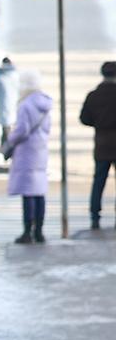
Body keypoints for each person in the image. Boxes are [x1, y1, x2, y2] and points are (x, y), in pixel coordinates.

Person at [5, 68, 53, 243]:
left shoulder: (26, 105)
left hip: (26, 152)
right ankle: (39, 231)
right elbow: (47, 128)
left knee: (28, 193)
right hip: (41, 150)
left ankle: (27, 231)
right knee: (39, 191)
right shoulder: (45, 104)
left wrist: (10, 138)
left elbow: (22, 130)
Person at [79, 60, 116, 228]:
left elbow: (84, 118)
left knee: (99, 180)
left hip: (101, 143)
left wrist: (99, 123)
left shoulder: (94, 95)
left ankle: (95, 215)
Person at [0, 56, 20, 151]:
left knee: (5, 125)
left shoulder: (0, 75)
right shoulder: (15, 74)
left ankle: (6, 146)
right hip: (14, 102)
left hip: (3, 103)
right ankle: (6, 146)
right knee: (9, 125)